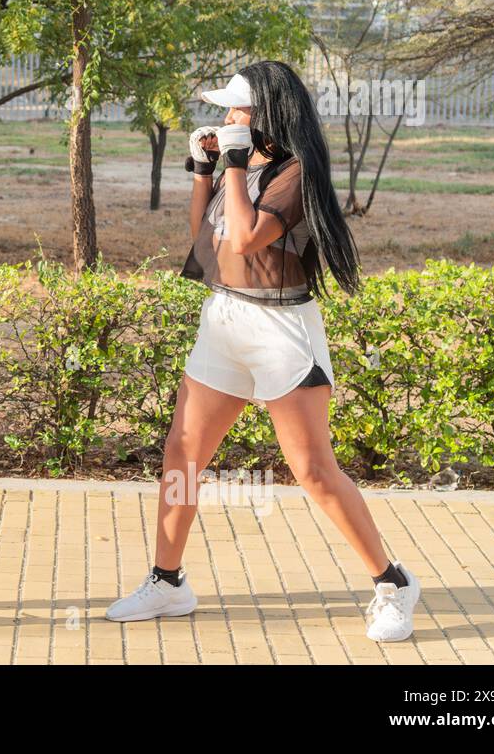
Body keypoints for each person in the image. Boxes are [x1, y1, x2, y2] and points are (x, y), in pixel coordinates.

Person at [106, 61, 420, 643]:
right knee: (183, 455)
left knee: (313, 470)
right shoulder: (243, 164)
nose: (227, 119)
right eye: (227, 111)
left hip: (280, 329)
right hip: (224, 320)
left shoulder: (295, 172)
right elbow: (209, 239)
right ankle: (168, 581)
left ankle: (394, 582)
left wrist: (229, 163)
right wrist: (205, 169)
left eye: (238, 111)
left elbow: (249, 237)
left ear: (269, 115)